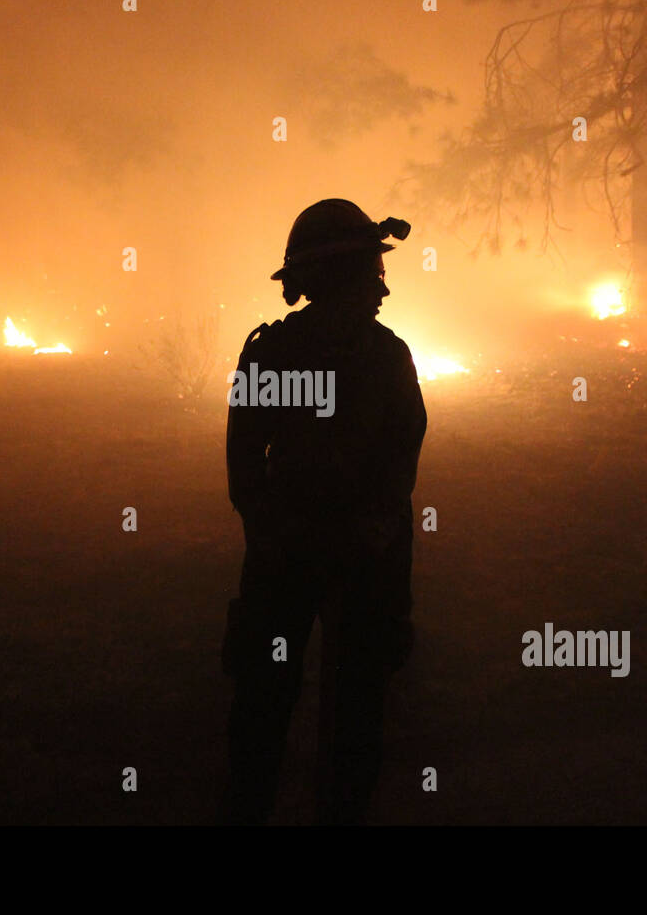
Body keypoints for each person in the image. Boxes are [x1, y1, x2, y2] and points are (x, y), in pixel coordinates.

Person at [220, 198, 427, 824]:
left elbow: (400, 453)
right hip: (299, 551)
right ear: (338, 278)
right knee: (270, 700)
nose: (383, 289)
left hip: (348, 553)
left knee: (351, 704)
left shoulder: (378, 356)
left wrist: (376, 525)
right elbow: (245, 458)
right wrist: (271, 531)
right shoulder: (283, 355)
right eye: (372, 271)